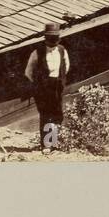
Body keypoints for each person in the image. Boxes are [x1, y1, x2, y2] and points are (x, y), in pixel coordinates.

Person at [25, 23, 70, 151]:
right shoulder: (37, 52)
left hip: (57, 86)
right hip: (43, 89)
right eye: (51, 38)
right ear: (45, 38)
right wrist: (39, 83)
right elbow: (28, 72)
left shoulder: (62, 50)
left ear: (58, 38)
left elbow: (66, 67)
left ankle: (54, 143)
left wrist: (59, 80)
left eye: (55, 38)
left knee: (56, 115)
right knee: (45, 115)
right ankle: (46, 145)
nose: (53, 41)